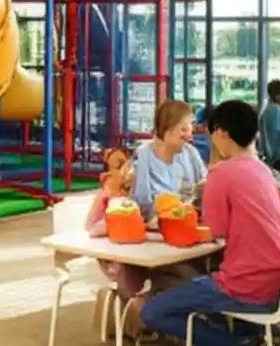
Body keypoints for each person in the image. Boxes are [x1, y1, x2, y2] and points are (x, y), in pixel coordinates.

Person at [141, 100, 280, 346]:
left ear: (220, 133)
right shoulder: (263, 171)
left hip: (242, 284)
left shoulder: (222, 174)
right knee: (197, 286)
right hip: (274, 282)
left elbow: (215, 229)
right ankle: (244, 338)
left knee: (152, 311)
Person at [84, 99, 207, 338]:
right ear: (168, 129)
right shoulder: (145, 154)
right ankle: (151, 316)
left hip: (185, 229)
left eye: (190, 127)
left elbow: (203, 186)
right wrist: (166, 212)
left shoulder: (190, 153)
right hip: (155, 232)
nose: (189, 134)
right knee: (181, 275)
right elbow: (142, 202)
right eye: (184, 128)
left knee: (193, 272)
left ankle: (162, 319)